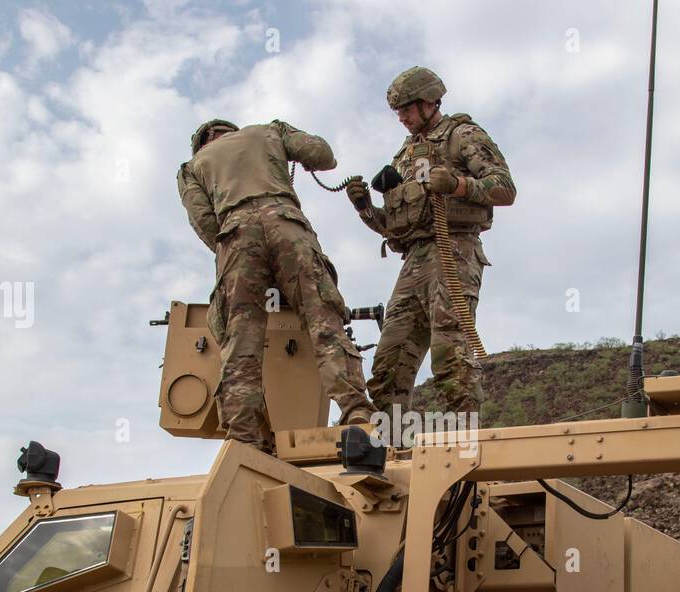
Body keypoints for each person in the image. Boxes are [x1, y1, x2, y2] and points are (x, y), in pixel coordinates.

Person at [177, 118, 375, 452]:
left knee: (240, 338)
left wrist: (235, 249)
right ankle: (356, 414)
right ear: (233, 131)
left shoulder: (192, 166)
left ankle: (245, 440)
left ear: (202, 143)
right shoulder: (269, 131)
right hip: (287, 224)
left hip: (235, 234)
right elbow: (323, 156)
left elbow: (205, 221)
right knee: (323, 321)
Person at [346, 67, 516, 416]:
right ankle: (389, 448)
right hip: (413, 262)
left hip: (453, 252)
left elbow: (504, 188)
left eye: (406, 109)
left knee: (450, 354)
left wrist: (458, 185)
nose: (402, 118)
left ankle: (464, 445)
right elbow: (395, 229)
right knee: (388, 365)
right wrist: (365, 208)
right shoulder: (404, 156)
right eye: (398, 112)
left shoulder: (462, 135)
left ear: (427, 102)